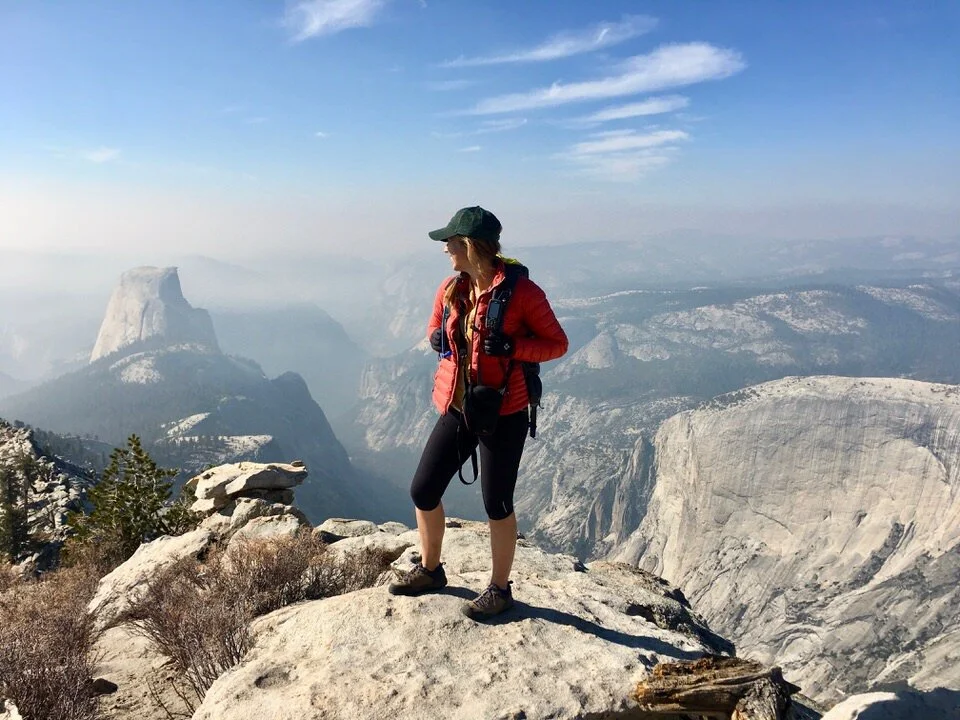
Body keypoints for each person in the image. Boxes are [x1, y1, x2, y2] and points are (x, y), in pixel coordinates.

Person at [388, 206, 569, 620]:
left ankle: (500, 589)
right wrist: (437, 336)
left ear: (470, 245)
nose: (445, 249)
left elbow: (557, 343)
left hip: (505, 409)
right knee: (423, 489)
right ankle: (431, 570)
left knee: (496, 502)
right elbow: (435, 324)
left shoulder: (524, 294)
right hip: (457, 403)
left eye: (450, 242)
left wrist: (513, 348)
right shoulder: (452, 288)